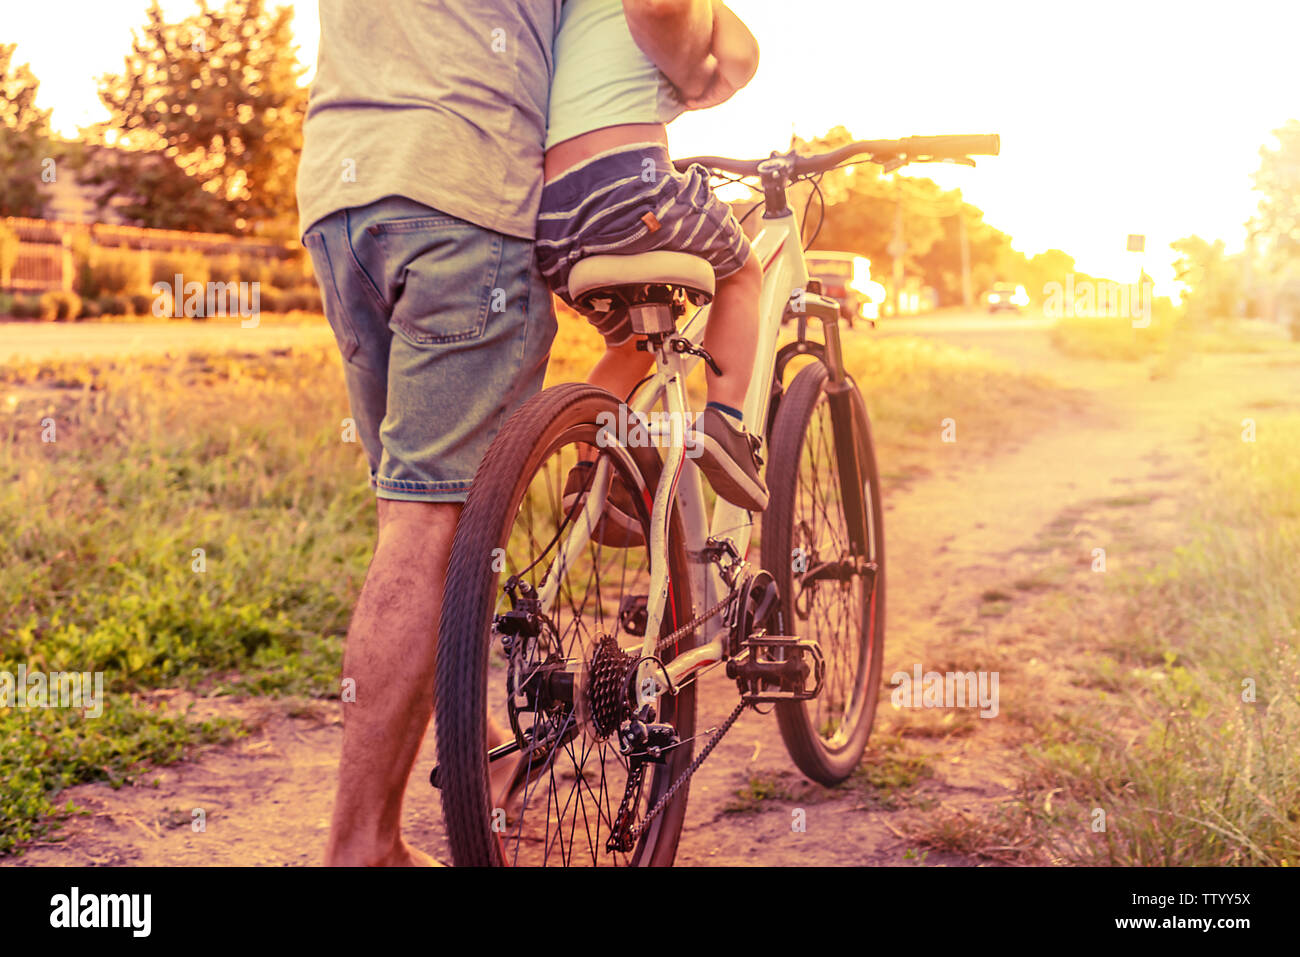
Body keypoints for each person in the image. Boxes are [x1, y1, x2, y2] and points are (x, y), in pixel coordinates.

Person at [296, 0, 725, 866]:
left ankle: (488, 752)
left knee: (423, 521)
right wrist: (706, 69)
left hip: (340, 199)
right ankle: (361, 848)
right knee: (428, 529)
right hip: (461, 196)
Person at [539, 0, 768, 524]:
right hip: (631, 191)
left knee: (630, 345)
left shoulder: (558, 20)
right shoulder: (658, 12)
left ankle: (589, 471)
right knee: (742, 271)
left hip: (553, 223)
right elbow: (740, 56)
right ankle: (726, 423)